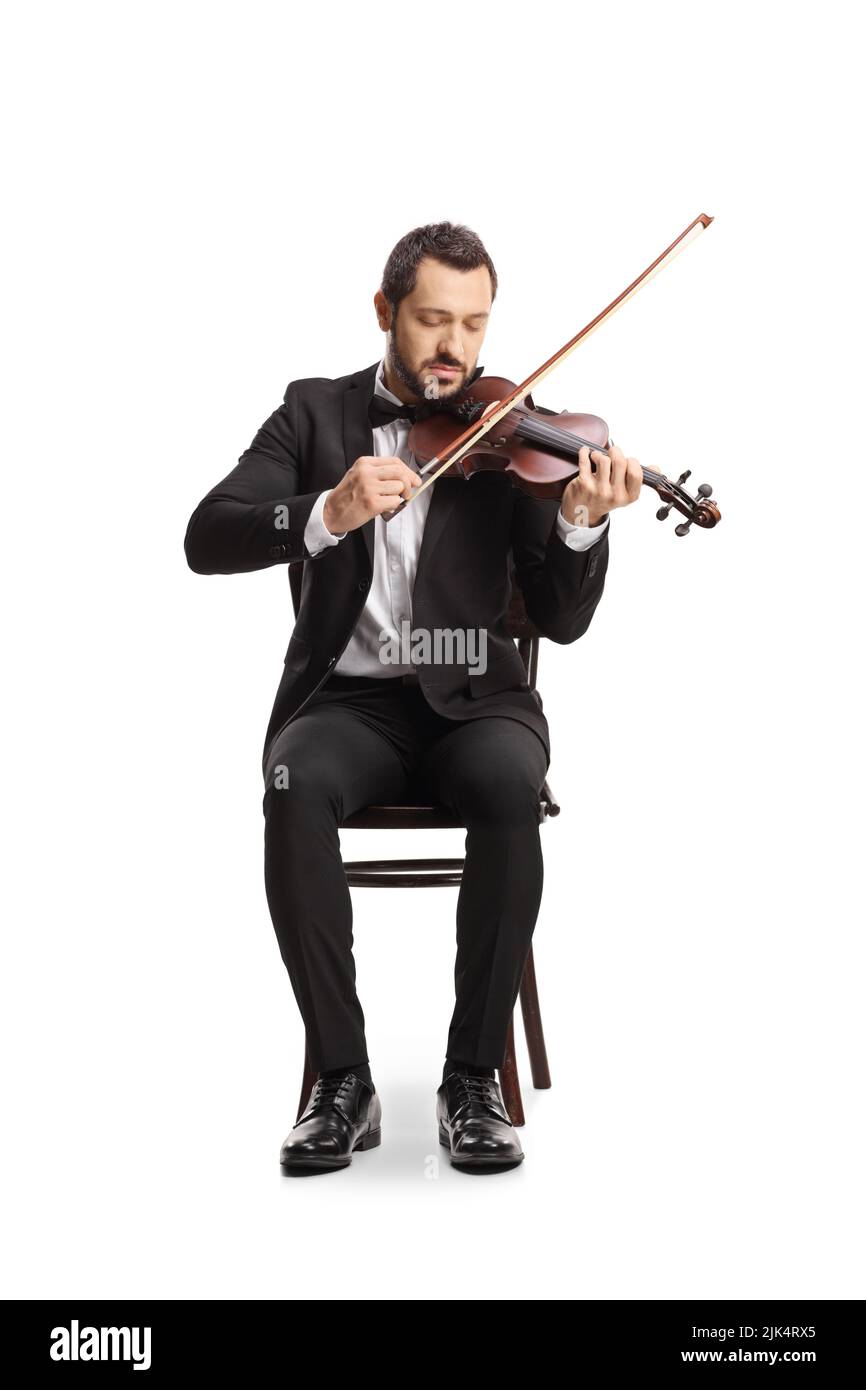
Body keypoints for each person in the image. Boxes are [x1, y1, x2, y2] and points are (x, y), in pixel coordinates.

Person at [184, 221, 642, 1175]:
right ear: (384, 311)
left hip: (477, 699)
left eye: (474, 325)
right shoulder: (310, 414)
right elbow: (208, 535)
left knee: (509, 785)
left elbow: (560, 620)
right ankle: (340, 1082)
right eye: (434, 320)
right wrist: (328, 510)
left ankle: (472, 1081)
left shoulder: (513, 427)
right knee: (292, 786)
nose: (454, 349)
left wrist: (579, 525)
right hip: (347, 707)